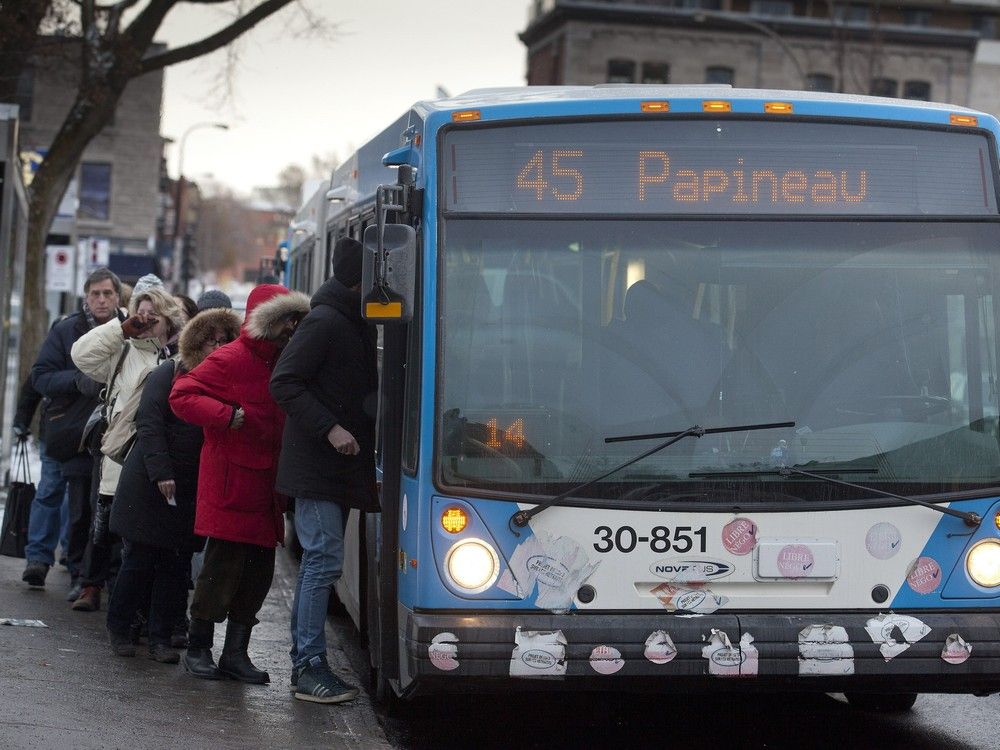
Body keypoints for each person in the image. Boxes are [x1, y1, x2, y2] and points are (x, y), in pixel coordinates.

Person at [170, 284, 309, 683]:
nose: (292, 328)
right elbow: (182, 395)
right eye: (286, 319)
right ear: (268, 320)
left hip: (266, 489)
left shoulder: (286, 361)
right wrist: (226, 415)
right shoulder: (231, 358)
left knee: (256, 577)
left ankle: (235, 653)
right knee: (220, 571)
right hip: (233, 486)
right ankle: (198, 649)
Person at [271, 237, 378, 704]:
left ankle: (309, 663)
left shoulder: (346, 319)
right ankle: (308, 667)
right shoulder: (326, 321)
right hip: (317, 468)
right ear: (360, 281)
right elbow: (284, 382)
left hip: (332, 469)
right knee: (323, 562)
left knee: (322, 562)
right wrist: (331, 428)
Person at [106, 306, 241, 662]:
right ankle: (121, 629)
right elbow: (150, 424)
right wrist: (161, 472)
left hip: (192, 485)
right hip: (151, 482)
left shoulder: (225, 383)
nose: (217, 347)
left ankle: (161, 637)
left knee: (175, 566)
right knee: (138, 561)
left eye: (224, 341)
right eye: (211, 341)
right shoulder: (168, 373)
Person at [69, 287, 187, 612]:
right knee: (106, 529)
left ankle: (136, 612)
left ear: (168, 320)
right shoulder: (121, 351)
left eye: (153, 315)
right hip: (120, 458)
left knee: (141, 542)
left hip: (157, 461)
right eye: (141, 312)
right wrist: (121, 328)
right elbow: (80, 355)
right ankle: (99, 591)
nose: (145, 320)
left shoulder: (178, 358)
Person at [30, 268, 123, 598]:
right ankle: (60, 566)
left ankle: (96, 577)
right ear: (86, 296)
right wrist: (77, 381)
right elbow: (39, 377)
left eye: (107, 293)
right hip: (69, 431)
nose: (101, 299)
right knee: (65, 499)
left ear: (118, 296)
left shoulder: (128, 331)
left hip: (113, 434)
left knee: (105, 506)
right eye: (95, 293)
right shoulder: (67, 329)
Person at [16, 376, 69, 587]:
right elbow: (36, 380)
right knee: (54, 493)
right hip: (56, 432)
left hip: (77, 432)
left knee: (59, 494)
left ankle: (61, 551)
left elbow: (34, 381)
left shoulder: (55, 344)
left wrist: (22, 419)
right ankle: (39, 557)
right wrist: (21, 418)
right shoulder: (58, 344)